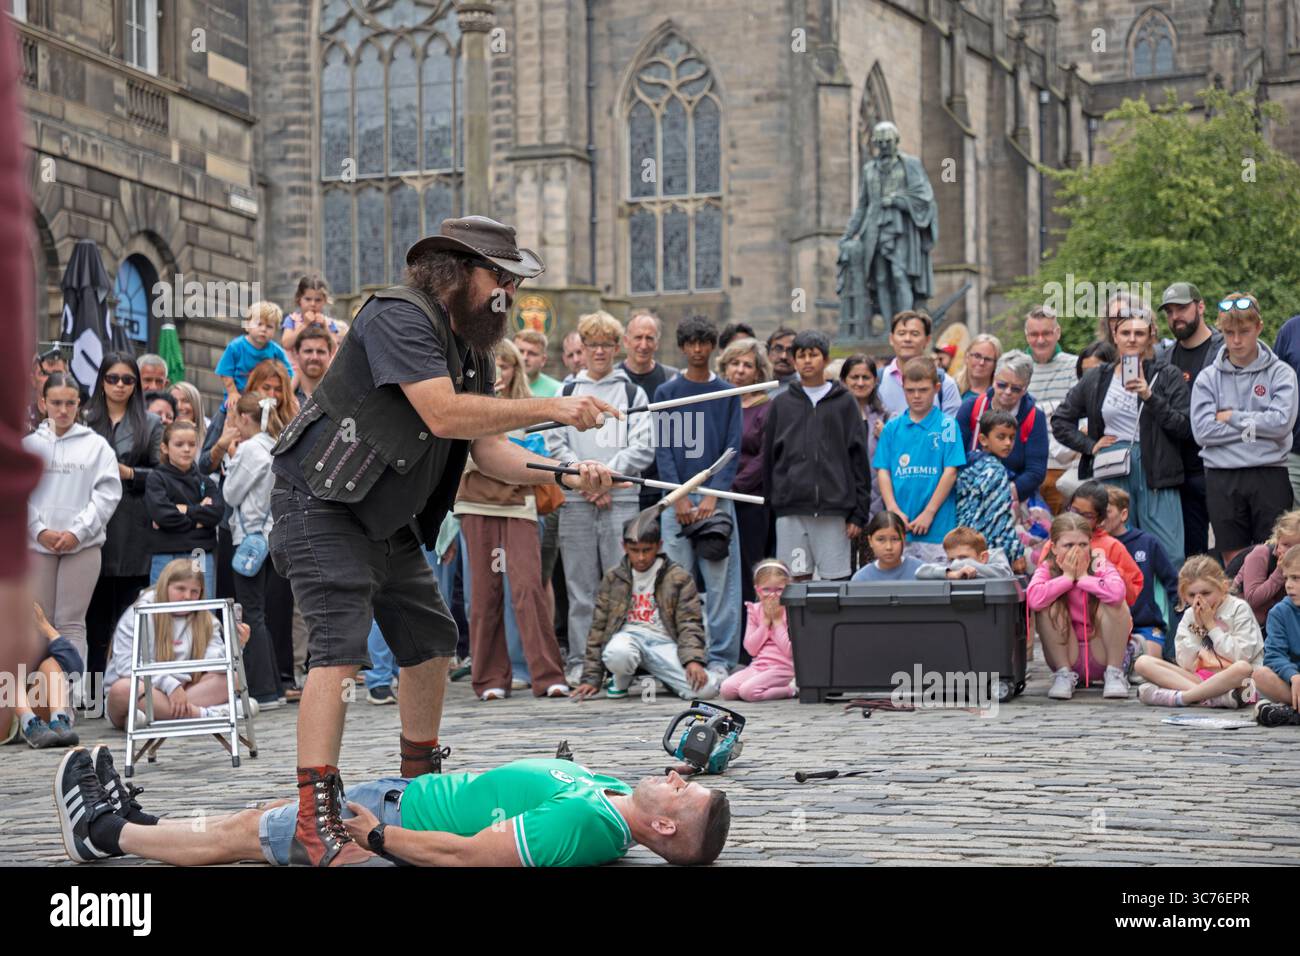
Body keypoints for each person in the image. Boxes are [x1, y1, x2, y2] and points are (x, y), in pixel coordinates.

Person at [268, 215, 622, 865]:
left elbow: (486, 449)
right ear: (458, 273)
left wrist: (569, 472)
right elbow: (441, 412)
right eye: (501, 278)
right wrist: (554, 406)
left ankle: (417, 788)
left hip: (383, 517)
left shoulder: (471, 352)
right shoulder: (397, 316)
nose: (507, 293)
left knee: (430, 641)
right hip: (320, 503)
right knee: (339, 646)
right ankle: (314, 821)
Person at [55, 749, 730, 867]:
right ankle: (142, 825)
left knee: (246, 835)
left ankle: (106, 834)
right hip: (397, 799)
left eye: (680, 788)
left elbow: (467, 856)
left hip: (395, 820)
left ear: (664, 825)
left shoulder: (588, 825)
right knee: (256, 820)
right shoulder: (609, 798)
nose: (675, 773)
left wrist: (377, 839)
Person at [457, 339, 569, 701]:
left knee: (527, 588)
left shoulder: (524, 407)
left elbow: (535, 458)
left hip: (519, 505)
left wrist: (508, 462)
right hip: (476, 504)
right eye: (494, 366)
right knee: (483, 593)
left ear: (514, 369)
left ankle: (548, 674)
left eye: (505, 366)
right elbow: (468, 457)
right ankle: (489, 678)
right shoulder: (467, 403)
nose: (499, 373)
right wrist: (505, 461)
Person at [546, 310, 654, 683]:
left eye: (607, 345)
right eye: (592, 344)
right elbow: (554, 443)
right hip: (577, 500)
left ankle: (619, 661)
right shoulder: (568, 392)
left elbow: (643, 445)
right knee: (580, 587)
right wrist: (584, 477)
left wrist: (606, 477)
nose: (600, 352)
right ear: (582, 347)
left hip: (620, 497)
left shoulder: (631, 392)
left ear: (616, 347)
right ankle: (581, 661)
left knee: (619, 582)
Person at [1051, 308, 1190, 567]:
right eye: (1125, 332)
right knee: (1116, 550)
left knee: (1170, 553)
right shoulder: (1097, 377)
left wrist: (1150, 396)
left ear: (1150, 337)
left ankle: (1169, 607)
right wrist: (1091, 446)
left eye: (1140, 333)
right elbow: (1060, 420)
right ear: (1115, 336)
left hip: (1157, 469)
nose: (1132, 339)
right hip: (1112, 468)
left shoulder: (1167, 374)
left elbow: (1183, 427)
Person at [654, 315, 745, 682]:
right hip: (677, 502)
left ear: (712, 347)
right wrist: (679, 498)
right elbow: (664, 449)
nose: (696, 349)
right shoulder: (666, 393)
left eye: (703, 343)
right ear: (681, 346)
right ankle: (683, 655)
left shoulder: (726, 393)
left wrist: (710, 495)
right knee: (677, 583)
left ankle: (722, 657)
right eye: (690, 343)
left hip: (717, 502)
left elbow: (732, 447)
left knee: (722, 584)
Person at [1191, 292, 1298, 569]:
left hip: (1269, 473)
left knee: (1276, 557)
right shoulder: (1208, 378)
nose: (1236, 340)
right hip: (1221, 476)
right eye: (1229, 332)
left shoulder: (1281, 373)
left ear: (1259, 328)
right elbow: (1203, 432)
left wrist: (1231, 418)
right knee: (1234, 560)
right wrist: (1256, 426)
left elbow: (1282, 423)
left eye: (1244, 332)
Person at [25, 373, 122, 667]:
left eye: (69, 403)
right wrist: (38, 529)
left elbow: (107, 494)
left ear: (78, 405)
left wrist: (78, 531)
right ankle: (40, 698)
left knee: (71, 622)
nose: (63, 410)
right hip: (36, 544)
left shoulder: (97, 446)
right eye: (56, 403)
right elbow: (16, 493)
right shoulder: (28, 445)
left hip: (83, 545)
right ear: (43, 403)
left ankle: (67, 700)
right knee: (39, 620)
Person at [763, 329, 870, 582]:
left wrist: (858, 513)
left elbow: (858, 458)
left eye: (813, 355)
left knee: (835, 582)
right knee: (796, 582)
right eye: (801, 355)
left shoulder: (845, 403)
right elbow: (769, 459)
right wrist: (773, 503)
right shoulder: (781, 404)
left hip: (834, 511)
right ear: (794, 360)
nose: (807, 361)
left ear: (825, 359)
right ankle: (798, 625)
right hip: (791, 511)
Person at [82, 354, 164, 682]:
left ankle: (128, 686)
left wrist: (128, 472)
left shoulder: (151, 423)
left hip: (133, 525)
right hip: (91, 520)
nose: (119, 385)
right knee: (92, 613)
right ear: (101, 380)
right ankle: (92, 688)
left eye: (127, 380)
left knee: (129, 611)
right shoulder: (85, 419)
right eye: (113, 378)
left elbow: (162, 478)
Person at [571, 517, 716, 701]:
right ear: (624, 547)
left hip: (664, 642)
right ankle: (620, 677)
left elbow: (690, 623)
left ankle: (668, 677)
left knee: (706, 691)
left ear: (659, 546)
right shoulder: (613, 578)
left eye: (647, 550)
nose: (641, 557)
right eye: (635, 551)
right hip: (627, 638)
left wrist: (692, 660)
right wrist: (591, 678)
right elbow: (598, 628)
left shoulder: (678, 577)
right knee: (618, 653)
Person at [103, 558, 251, 729]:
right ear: (165, 586)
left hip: (185, 691)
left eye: (194, 592)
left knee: (233, 678)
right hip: (146, 689)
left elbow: (216, 665)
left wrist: (235, 646)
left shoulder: (206, 620)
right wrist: (170, 685)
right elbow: (125, 666)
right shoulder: (138, 613)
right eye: (180, 589)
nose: (187, 597)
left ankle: (157, 716)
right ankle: (204, 715)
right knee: (122, 690)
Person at [221, 392, 286, 706]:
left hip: (248, 540)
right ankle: (273, 684)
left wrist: (230, 458)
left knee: (251, 613)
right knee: (262, 612)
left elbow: (231, 494)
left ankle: (262, 689)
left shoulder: (249, 449)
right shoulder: (275, 445)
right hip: (272, 536)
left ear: (245, 418)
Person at [1027, 513, 1133, 700]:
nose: (1076, 551)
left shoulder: (1099, 564)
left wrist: (1084, 578)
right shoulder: (1047, 567)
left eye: (1083, 545)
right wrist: (1067, 578)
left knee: (1117, 604)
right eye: (1068, 545)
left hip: (1101, 650)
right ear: (1054, 547)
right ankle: (1063, 676)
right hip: (1067, 653)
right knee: (1047, 607)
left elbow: (1118, 593)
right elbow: (1034, 599)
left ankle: (1115, 673)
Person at [1134, 556, 1263, 709]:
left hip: (1239, 684)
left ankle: (1182, 697)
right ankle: (1212, 698)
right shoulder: (1190, 615)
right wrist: (1198, 629)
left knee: (1243, 667)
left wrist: (1211, 627)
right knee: (1143, 663)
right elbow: (1186, 664)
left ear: (1223, 587)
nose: (1199, 600)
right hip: (1200, 679)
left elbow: (1242, 656)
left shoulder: (1238, 608)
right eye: (1191, 595)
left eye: (1206, 593)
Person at [873, 356, 965, 563]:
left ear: (936, 388)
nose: (916, 396)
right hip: (899, 531)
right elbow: (883, 471)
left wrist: (929, 513)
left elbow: (950, 472)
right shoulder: (891, 428)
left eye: (923, 390)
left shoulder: (947, 425)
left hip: (937, 527)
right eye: (910, 390)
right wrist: (894, 511)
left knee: (936, 587)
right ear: (903, 388)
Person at [1156, 282, 1221, 557]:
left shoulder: (1223, 350)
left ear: (1201, 306)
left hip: (1218, 466)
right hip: (1179, 472)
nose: (1175, 317)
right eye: (1169, 312)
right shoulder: (1163, 357)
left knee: (1233, 551)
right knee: (1190, 555)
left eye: (1182, 308)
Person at [719, 336, 773, 604]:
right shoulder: (717, 404)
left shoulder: (767, 408)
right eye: (734, 363)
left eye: (747, 365)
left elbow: (764, 458)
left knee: (749, 570)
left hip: (749, 502)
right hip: (714, 498)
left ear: (758, 373)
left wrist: (733, 485)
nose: (739, 370)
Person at [956, 350, 1048, 504]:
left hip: (1016, 493)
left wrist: (1004, 492)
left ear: (1026, 388)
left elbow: (1036, 471)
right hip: (970, 489)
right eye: (1002, 385)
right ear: (993, 379)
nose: (1007, 392)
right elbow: (955, 456)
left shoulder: (1034, 417)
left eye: (1016, 388)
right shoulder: (971, 408)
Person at [1103, 485, 1178, 660]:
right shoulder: (1091, 544)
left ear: (1123, 514)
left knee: (1148, 663)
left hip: (1145, 625)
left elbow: (1173, 583)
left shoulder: (1147, 543)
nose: (1102, 518)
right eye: (1098, 512)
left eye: (1107, 511)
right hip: (1106, 624)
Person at [1043, 481, 1144, 606]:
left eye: (1087, 515)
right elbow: (1040, 584)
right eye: (1074, 511)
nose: (1078, 518)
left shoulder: (1112, 546)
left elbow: (1131, 593)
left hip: (1099, 617)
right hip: (1062, 614)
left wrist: (1108, 572)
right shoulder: (1055, 542)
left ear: (1100, 519)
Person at [620, 310, 679, 510]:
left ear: (657, 343)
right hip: (621, 485)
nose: (643, 345)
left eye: (649, 338)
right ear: (626, 340)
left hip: (661, 485)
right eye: (638, 337)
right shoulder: (612, 379)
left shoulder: (672, 379)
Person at [1024, 306, 1078, 514]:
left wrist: (1036, 411)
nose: (1040, 340)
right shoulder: (1016, 366)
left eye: (1046, 333)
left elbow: (1078, 416)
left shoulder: (1074, 366)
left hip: (1063, 470)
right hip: (1027, 470)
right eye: (1034, 334)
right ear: (1026, 335)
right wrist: (1055, 409)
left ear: (1058, 333)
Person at [954, 410, 1025, 568]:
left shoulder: (968, 465)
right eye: (1001, 437)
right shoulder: (996, 470)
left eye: (1012, 438)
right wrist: (1015, 552)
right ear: (983, 439)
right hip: (986, 550)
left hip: (959, 543)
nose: (1008, 443)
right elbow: (999, 517)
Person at [721, 559, 796, 701]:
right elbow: (751, 649)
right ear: (757, 590)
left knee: (748, 692)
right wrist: (766, 622)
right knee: (726, 689)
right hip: (759, 666)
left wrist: (778, 621)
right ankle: (763, 684)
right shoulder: (754, 610)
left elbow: (790, 651)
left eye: (779, 589)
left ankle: (790, 690)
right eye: (766, 589)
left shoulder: (791, 610)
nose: (772, 595)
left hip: (783, 668)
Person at [13, 603, 83, 748]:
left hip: (39, 718)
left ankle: (58, 719)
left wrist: (46, 628)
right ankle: (29, 723)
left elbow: (76, 669)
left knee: (50, 664)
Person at [876, 311, 961, 417]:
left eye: (914, 334)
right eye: (901, 333)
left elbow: (950, 430)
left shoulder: (945, 383)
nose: (907, 339)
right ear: (891, 339)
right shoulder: (877, 381)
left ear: (927, 340)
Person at [216, 301, 294, 413]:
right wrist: (232, 392)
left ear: (275, 331)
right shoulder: (235, 347)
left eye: (269, 326)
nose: (264, 329)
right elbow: (225, 372)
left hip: (264, 401)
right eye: (259, 324)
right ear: (247, 326)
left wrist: (284, 392)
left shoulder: (276, 351)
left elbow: (289, 374)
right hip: (237, 398)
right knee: (222, 421)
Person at [840, 354, 891, 524]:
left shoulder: (887, 418)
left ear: (875, 380)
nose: (860, 383)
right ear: (843, 380)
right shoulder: (834, 417)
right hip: (843, 504)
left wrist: (887, 438)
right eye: (854, 377)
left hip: (879, 505)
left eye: (866, 377)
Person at [1231, 509, 1300, 627]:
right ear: (1278, 541)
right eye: (1285, 545)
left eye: (1295, 546)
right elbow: (1251, 600)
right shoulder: (1261, 554)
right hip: (1242, 623)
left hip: (1275, 623)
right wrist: (1280, 573)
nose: (1289, 551)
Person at [1254, 546, 1300, 718]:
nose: (1288, 584)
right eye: (1286, 578)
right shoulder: (1279, 612)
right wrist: (1293, 675)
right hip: (1293, 681)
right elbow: (1274, 655)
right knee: (1260, 675)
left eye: (1296, 578)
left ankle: (1291, 712)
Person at [280, 274, 348, 355]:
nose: (313, 304)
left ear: (325, 301)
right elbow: (286, 344)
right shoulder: (292, 320)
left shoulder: (328, 323)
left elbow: (334, 350)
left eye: (318, 300)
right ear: (299, 299)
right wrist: (304, 325)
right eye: (308, 299)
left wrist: (325, 327)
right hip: (295, 367)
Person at [915, 527, 1013, 579]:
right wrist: (952, 574)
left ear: (983, 557)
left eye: (963, 558)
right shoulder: (952, 567)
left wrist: (964, 566)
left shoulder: (995, 556)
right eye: (952, 559)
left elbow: (1005, 573)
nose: (956, 562)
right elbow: (921, 571)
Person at [850, 511, 922, 581]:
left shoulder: (920, 572)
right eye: (881, 539)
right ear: (870, 541)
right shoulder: (861, 579)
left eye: (895, 539)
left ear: (904, 539)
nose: (889, 547)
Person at [291, 321, 335, 401]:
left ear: (330, 354)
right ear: (296, 354)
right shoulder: (283, 397)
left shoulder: (341, 396)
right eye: (308, 351)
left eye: (320, 351)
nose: (314, 357)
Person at [28, 348, 68, 433]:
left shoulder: (80, 419)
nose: (50, 378)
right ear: (33, 380)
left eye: (57, 373)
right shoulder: (22, 419)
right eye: (43, 373)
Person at [513, 328, 562, 397]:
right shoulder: (498, 387)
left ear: (543, 360)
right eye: (520, 351)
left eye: (532, 353)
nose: (524, 358)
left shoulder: (558, 390)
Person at [953, 333, 1001, 400]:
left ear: (996, 364)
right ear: (967, 357)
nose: (981, 363)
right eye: (977, 356)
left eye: (988, 359)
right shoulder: (951, 388)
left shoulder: (999, 396)